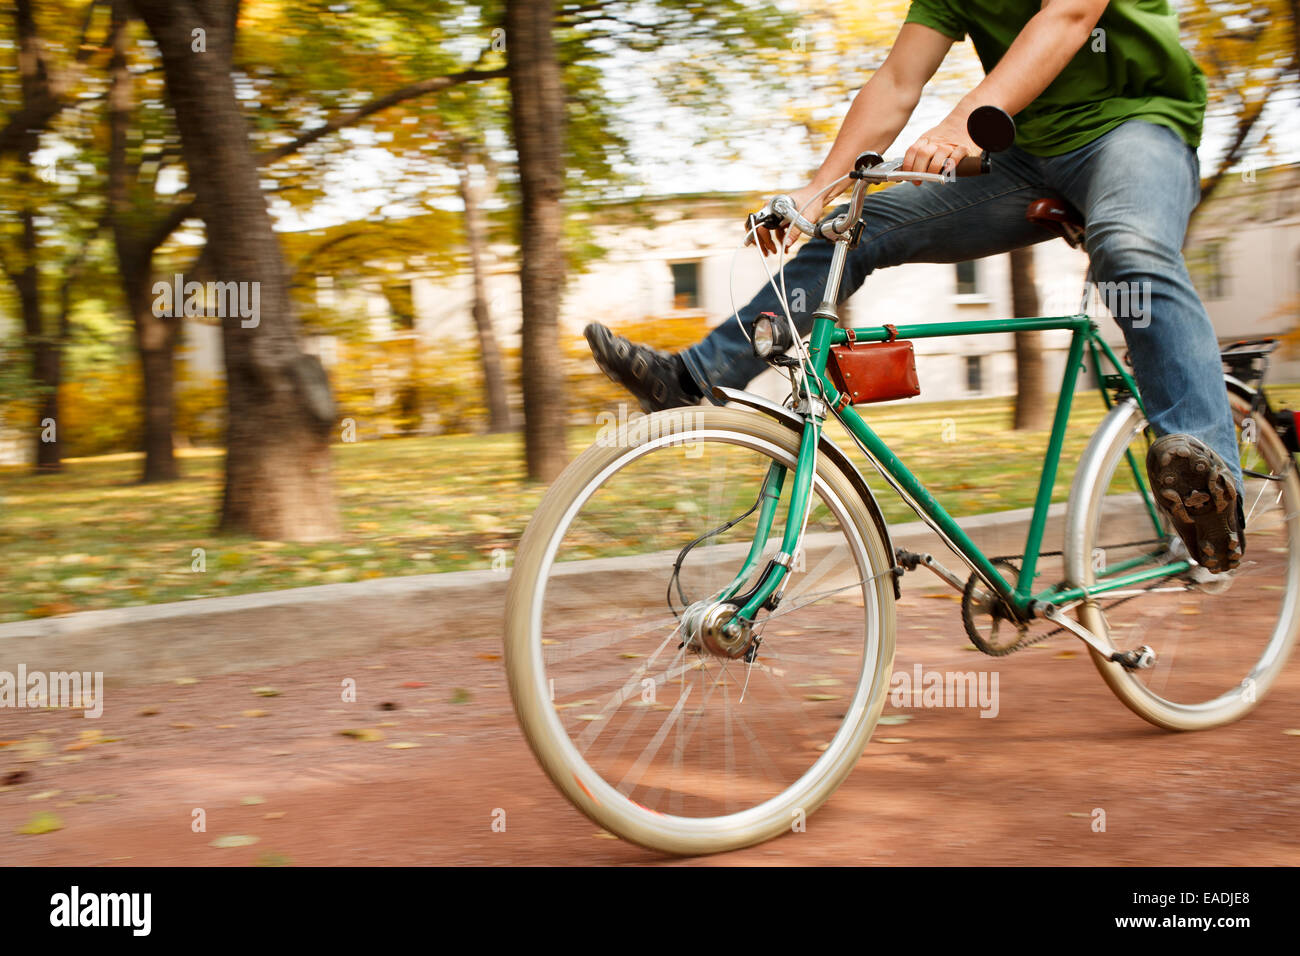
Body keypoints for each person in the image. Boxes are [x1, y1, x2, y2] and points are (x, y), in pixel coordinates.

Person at [584, 0, 1246, 573]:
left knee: (1129, 248)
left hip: (1135, 127)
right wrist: (817, 193)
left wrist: (961, 123)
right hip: (1025, 162)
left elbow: (1070, 16)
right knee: (855, 225)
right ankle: (695, 375)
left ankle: (1210, 488)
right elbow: (899, 81)